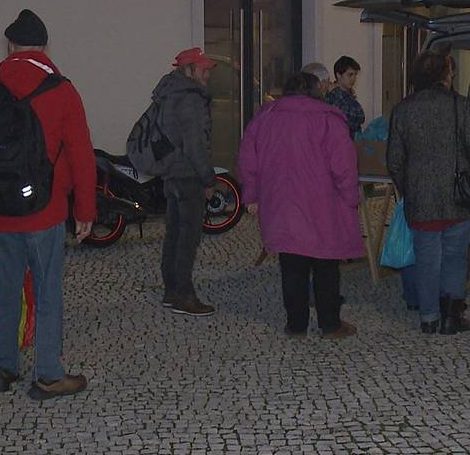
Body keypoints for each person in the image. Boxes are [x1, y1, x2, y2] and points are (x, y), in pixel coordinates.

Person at [0, 9, 96, 398]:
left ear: (10, 46)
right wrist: (85, 211)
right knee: (48, 290)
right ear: (44, 47)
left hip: (0, 213)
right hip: (46, 211)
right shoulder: (63, 91)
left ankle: (3, 368)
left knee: (7, 287)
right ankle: (49, 374)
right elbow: (82, 154)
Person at [238, 72, 362, 338]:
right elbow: (344, 168)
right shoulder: (328, 120)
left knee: (291, 266)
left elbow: (248, 161)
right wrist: (351, 198)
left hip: (280, 204)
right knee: (326, 266)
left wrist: (251, 196)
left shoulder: (265, 118)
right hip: (322, 206)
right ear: (316, 91)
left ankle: (296, 325)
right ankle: (330, 324)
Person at [388, 51, 470, 334]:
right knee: (455, 256)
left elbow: (394, 160)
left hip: (422, 199)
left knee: (427, 258)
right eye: (451, 71)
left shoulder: (403, 109)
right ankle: (451, 316)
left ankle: (429, 317)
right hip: (458, 197)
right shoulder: (460, 106)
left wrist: (410, 187)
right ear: (445, 74)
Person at [153, 48, 218, 317]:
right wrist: (208, 179)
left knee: (174, 234)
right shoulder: (190, 98)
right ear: (189, 70)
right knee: (188, 238)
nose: (207, 75)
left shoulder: (168, 93)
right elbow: (195, 145)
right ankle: (184, 295)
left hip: (171, 173)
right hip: (188, 175)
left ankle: (171, 291)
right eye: (204, 70)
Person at [328, 55, 366, 136]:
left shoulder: (349, 94)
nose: (353, 78)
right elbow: (357, 116)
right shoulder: (332, 95)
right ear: (339, 75)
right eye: (350, 75)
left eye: (355, 74)